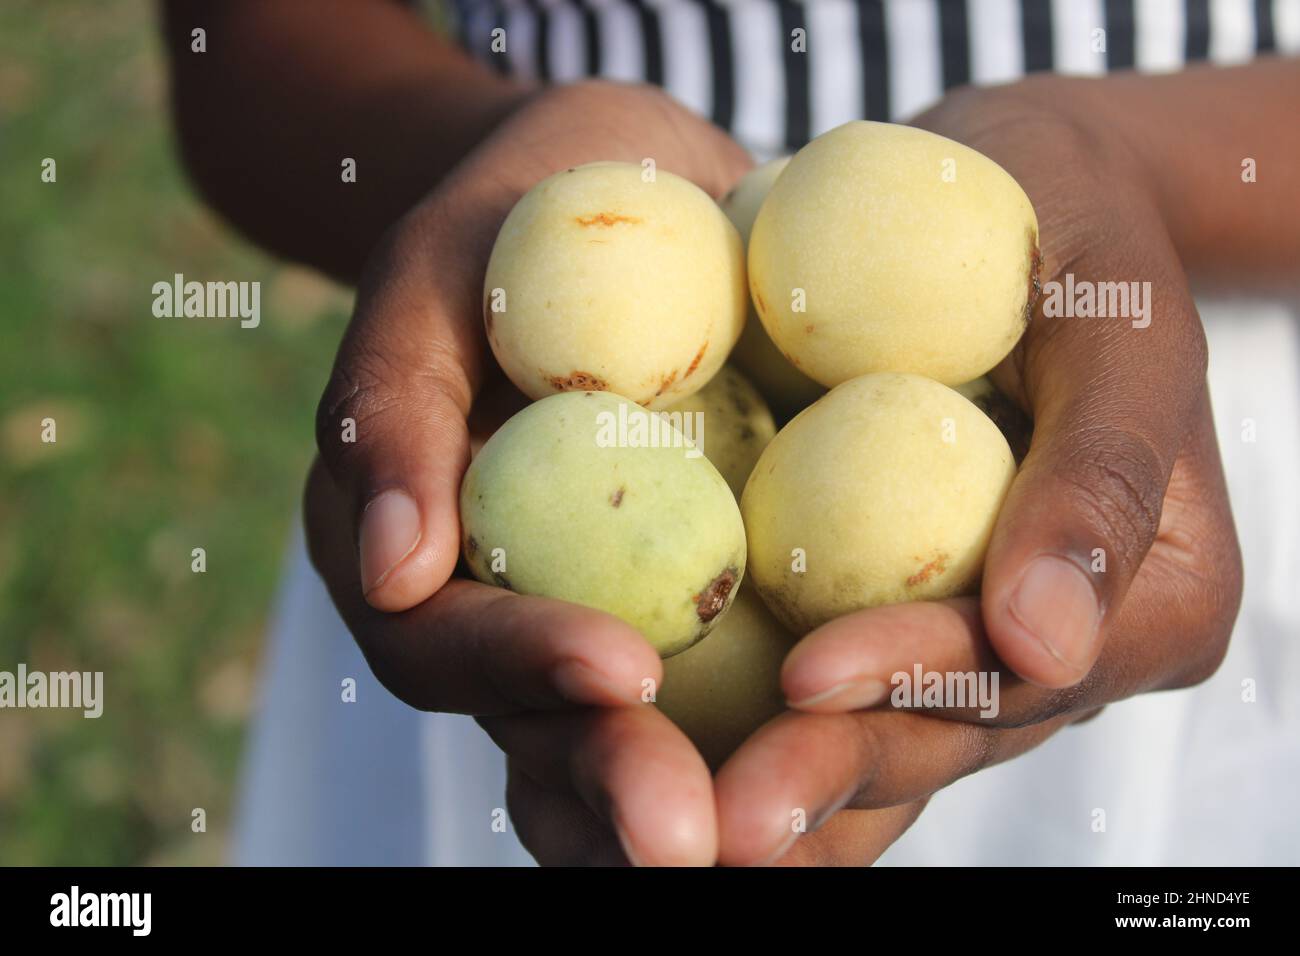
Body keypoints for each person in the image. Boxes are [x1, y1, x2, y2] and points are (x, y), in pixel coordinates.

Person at [161, 0, 1300, 865]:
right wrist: (478, 179)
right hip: (497, 405)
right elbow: (245, 57)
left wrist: (1123, 167)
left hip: (1144, 387)